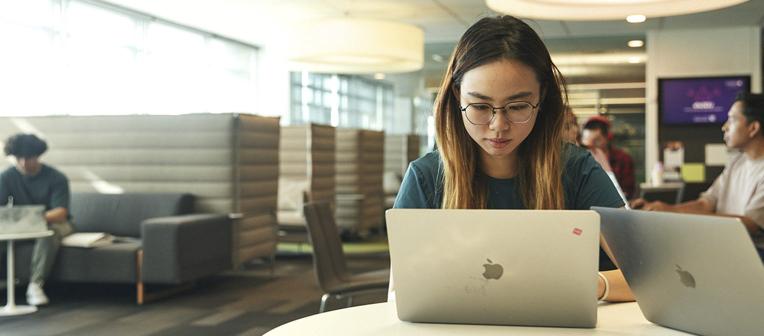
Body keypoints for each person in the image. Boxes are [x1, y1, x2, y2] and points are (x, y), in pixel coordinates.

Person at [392, 15, 634, 302]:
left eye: (518, 106)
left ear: (541, 97)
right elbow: (399, 295)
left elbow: (652, 275)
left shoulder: (576, 169)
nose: (498, 125)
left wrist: (592, 284)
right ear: (457, 96)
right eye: (480, 106)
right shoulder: (425, 177)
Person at [631, 92, 764, 257]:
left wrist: (671, 213)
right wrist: (666, 210)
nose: (724, 127)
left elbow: (747, 224)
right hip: (723, 245)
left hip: (751, 253)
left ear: (753, 128)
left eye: (731, 120)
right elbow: (705, 204)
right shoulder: (737, 163)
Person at [0, 133, 73, 306]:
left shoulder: (56, 178)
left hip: (55, 223)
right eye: (19, 158)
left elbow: (60, 213)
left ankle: (35, 285)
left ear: (38, 156)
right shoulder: (7, 177)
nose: (24, 163)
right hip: (22, 226)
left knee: (48, 233)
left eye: (29, 158)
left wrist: (28, 218)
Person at [581, 116, 636, 199]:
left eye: (596, 141)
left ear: (607, 137)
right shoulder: (581, 162)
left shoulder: (623, 159)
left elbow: (628, 192)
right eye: (586, 145)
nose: (591, 148)